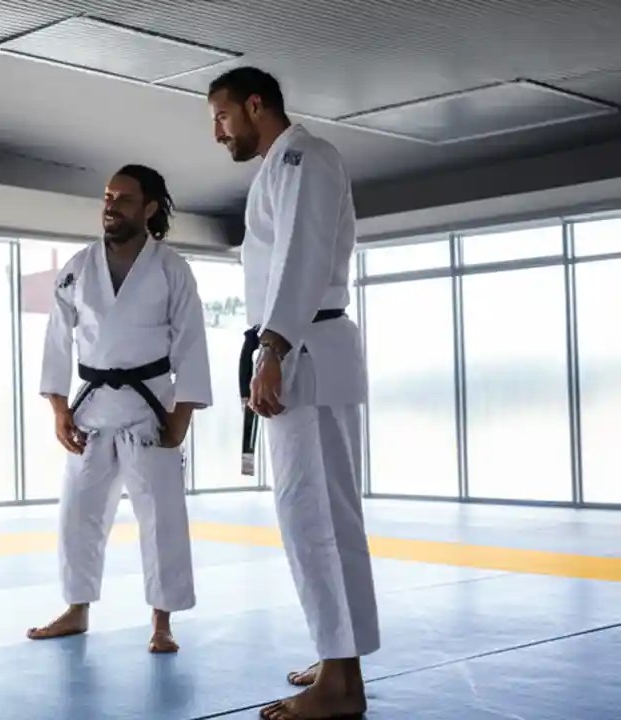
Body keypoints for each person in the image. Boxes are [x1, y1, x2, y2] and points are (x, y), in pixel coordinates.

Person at [207, 67, 380, 720]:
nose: (218, 133)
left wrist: (272, 348)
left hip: (304, 352)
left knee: (320, 520)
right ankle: (338, 657)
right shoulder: (281, 166)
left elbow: (302, 257)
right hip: (301, 351)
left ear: (256, 106)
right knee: (311, 517)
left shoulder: (305, 159)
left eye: (223, 118)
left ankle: (342, 683)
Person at [26, 164, 213, 653]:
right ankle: (76, 608)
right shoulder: (78, 266)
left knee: (161, 516)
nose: (111, 206)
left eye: (124, 198)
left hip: (150, 408)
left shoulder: (171, 268)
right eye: (108, 196)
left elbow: (192, 343)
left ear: (149, 208)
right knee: (78, 513)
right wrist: (58, 407)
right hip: (90, 409)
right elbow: (56, 340)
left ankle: (162, 620)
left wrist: (183, 414)